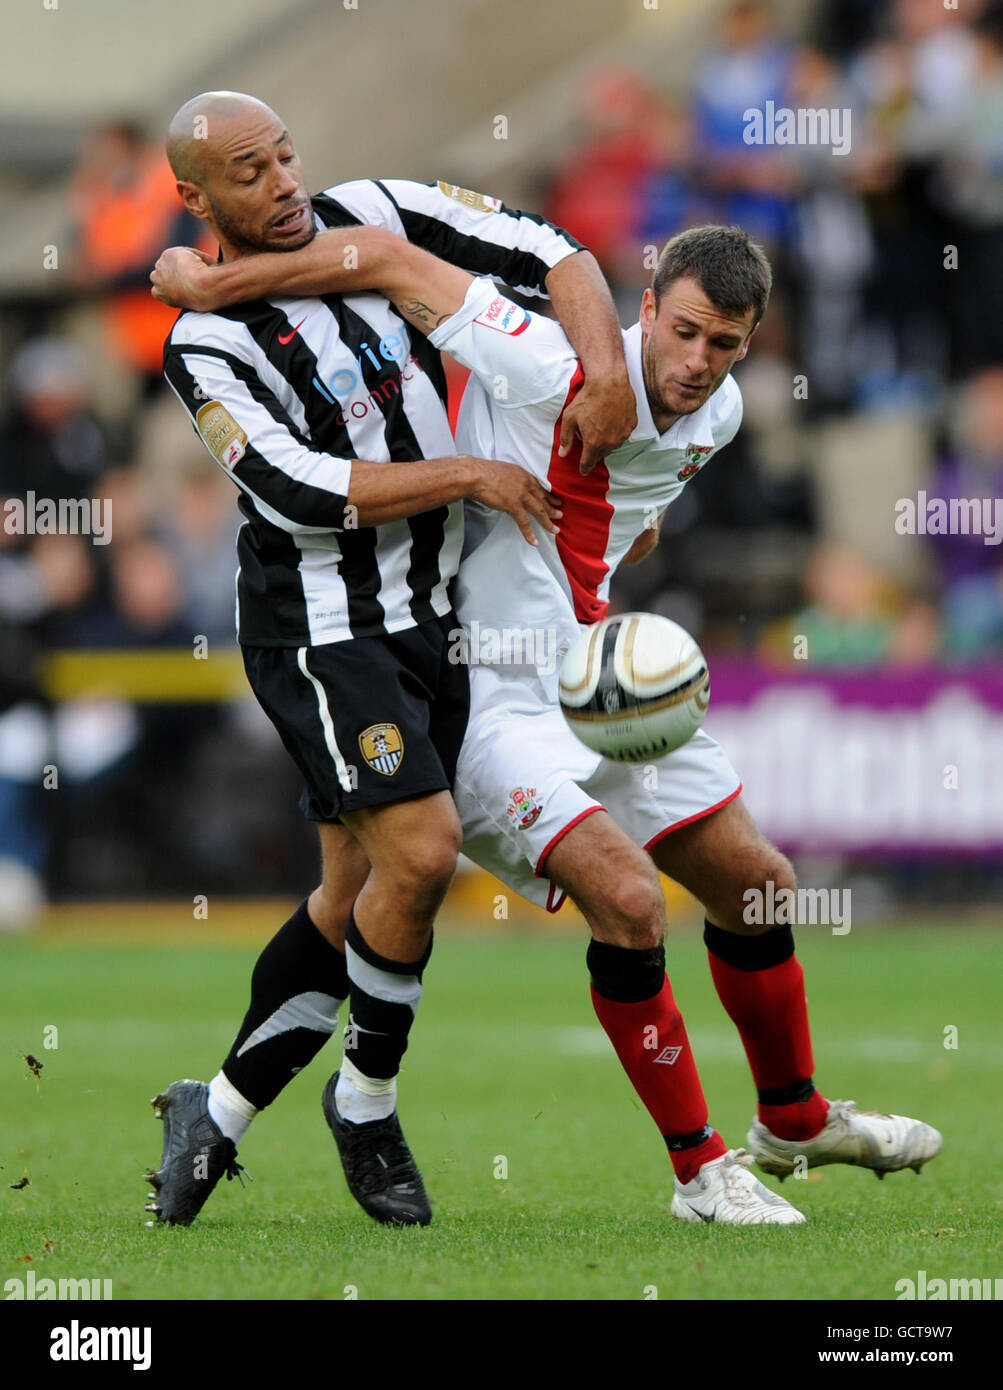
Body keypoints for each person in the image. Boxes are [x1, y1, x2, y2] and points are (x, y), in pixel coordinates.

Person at [153, 220, 941, 1227]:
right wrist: (216, 285)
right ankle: (699, 1173)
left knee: (760, 886)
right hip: (477, 698)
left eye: (726, 345)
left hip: (592, 692)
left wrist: (590, 590)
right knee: (622, 899)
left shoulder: (724, 414)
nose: (699, 364)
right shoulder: (537, 358)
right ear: (644, 308)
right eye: (686, 333)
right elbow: (393, 259)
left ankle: (790, 1117)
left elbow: (632, 519)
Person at [146, 90, 637, 1228]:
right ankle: (364, 1107)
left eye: (285, 156)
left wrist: (604, 368)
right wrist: (466, 474)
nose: (279, 184)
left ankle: (211, 1112)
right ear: (193, 196)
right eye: (249, 172)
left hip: (438, 609)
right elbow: (291, 488)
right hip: (325, 627)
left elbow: (551, 250)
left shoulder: (374, 216)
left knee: (351, 893)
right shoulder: (203, 339)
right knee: (418, 857)